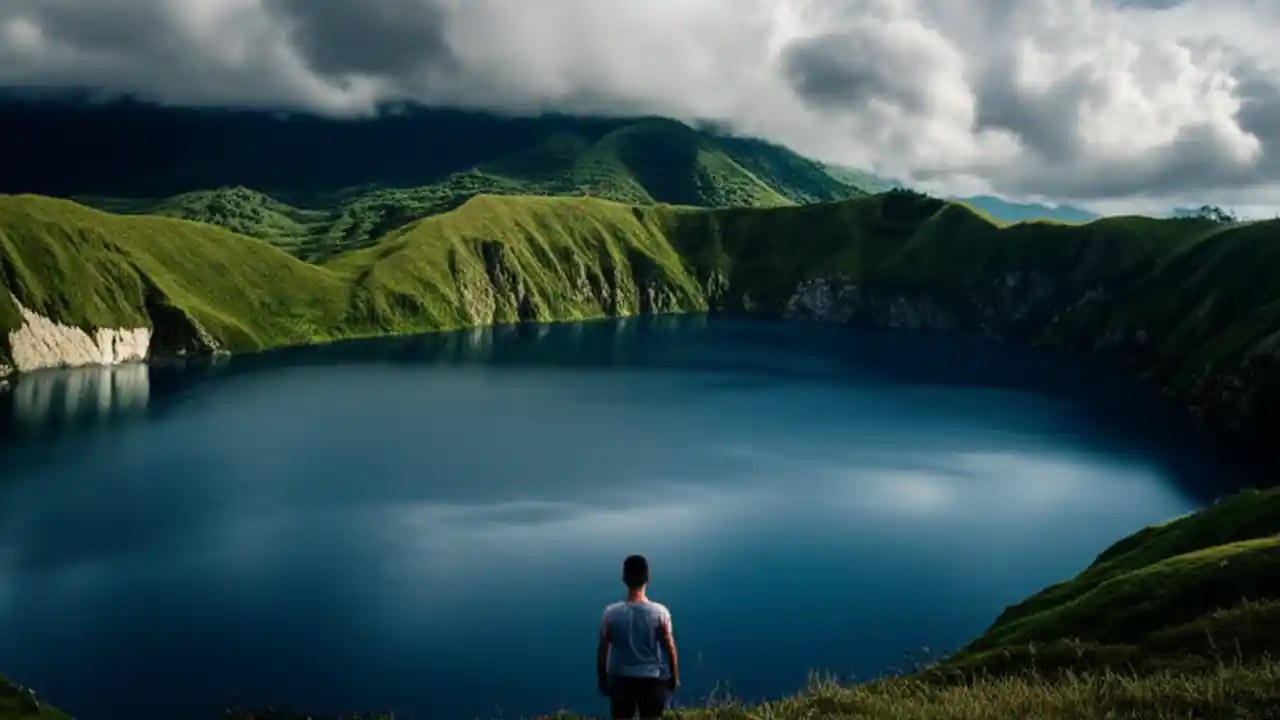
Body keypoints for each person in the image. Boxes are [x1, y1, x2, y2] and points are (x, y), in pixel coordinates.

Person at [596, 555, 680, 719]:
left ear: (624, 578)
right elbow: (670, 647)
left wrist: (603, 680)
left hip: (621, 680)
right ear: (647, 578)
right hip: (652, 681)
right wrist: (674, 677)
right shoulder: (660, 613)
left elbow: (602, 652)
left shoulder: (611, 614)